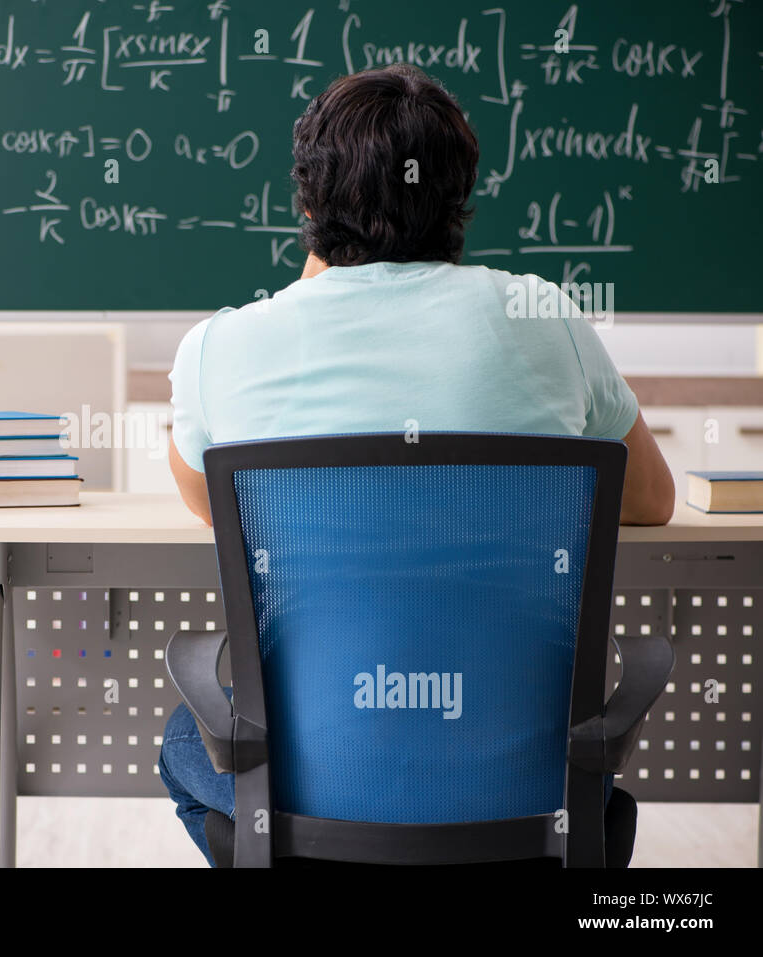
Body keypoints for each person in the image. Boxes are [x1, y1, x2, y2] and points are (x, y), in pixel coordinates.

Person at [158, 64, 675, 866]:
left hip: (311, 788)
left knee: (181, 743)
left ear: (306, 202)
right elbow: (650, 499)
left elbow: (205, 500)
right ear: (460, 197)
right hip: (525, 793)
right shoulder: (548, 321)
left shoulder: (222, 348)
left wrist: (314, 276)